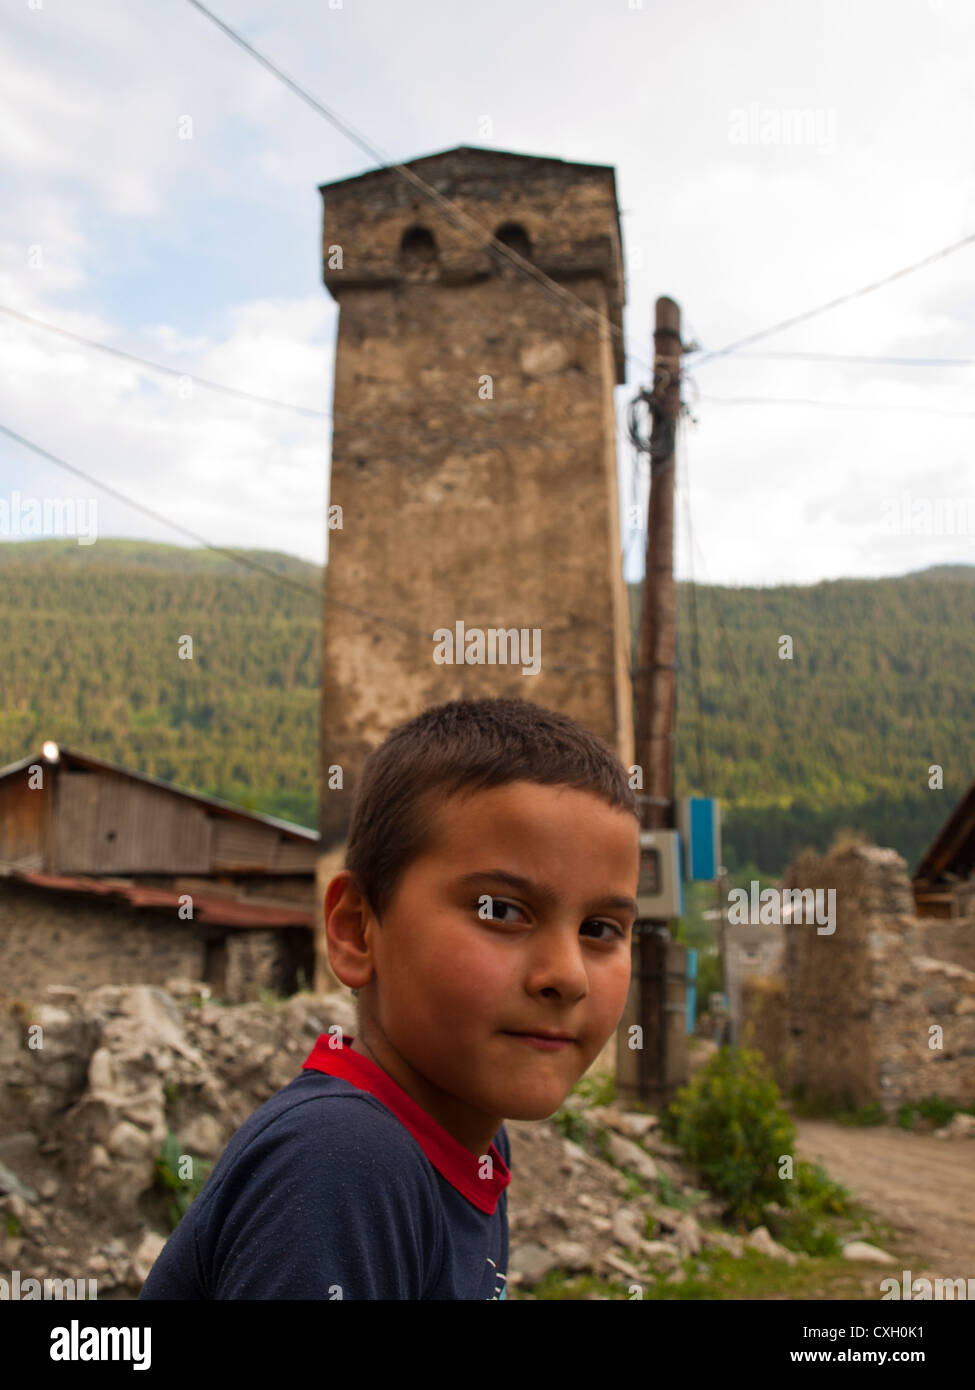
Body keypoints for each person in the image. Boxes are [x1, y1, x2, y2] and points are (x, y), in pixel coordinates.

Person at [139, 696, 641, 1300]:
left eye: (601, 929)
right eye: (501, 911)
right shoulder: (343, 1160)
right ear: (357, 929)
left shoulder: (466, 1139)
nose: (568, 975)